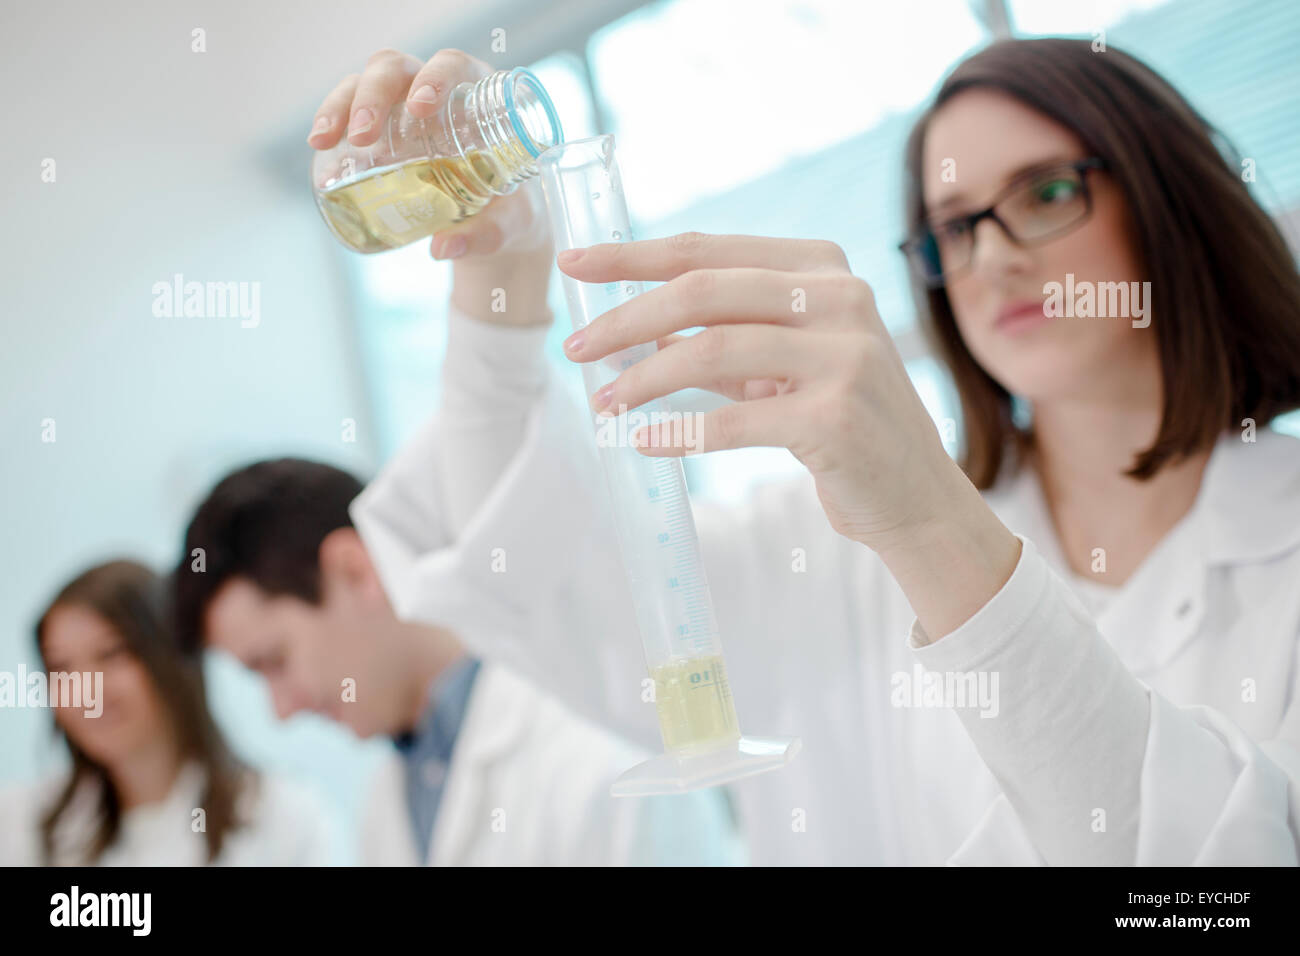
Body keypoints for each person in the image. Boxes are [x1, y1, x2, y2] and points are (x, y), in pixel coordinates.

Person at [317, 41, 1300, 865]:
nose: (993, 255)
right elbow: (542, 588)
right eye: (954, 226)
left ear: (1170, 198)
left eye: (1045, 191)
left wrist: (930, 520)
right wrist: (501, 279)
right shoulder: (830, 549)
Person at [173, 458, 740, 866]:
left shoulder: (602, 756)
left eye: (274, 661)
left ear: (353, 571)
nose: (281, 709)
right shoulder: (385, 808)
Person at [0, 560, 333, 866]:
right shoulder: (18, 825)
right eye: (60, 667)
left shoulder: (282, 816)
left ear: (170, 658)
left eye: (110, 655)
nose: (85, 689)